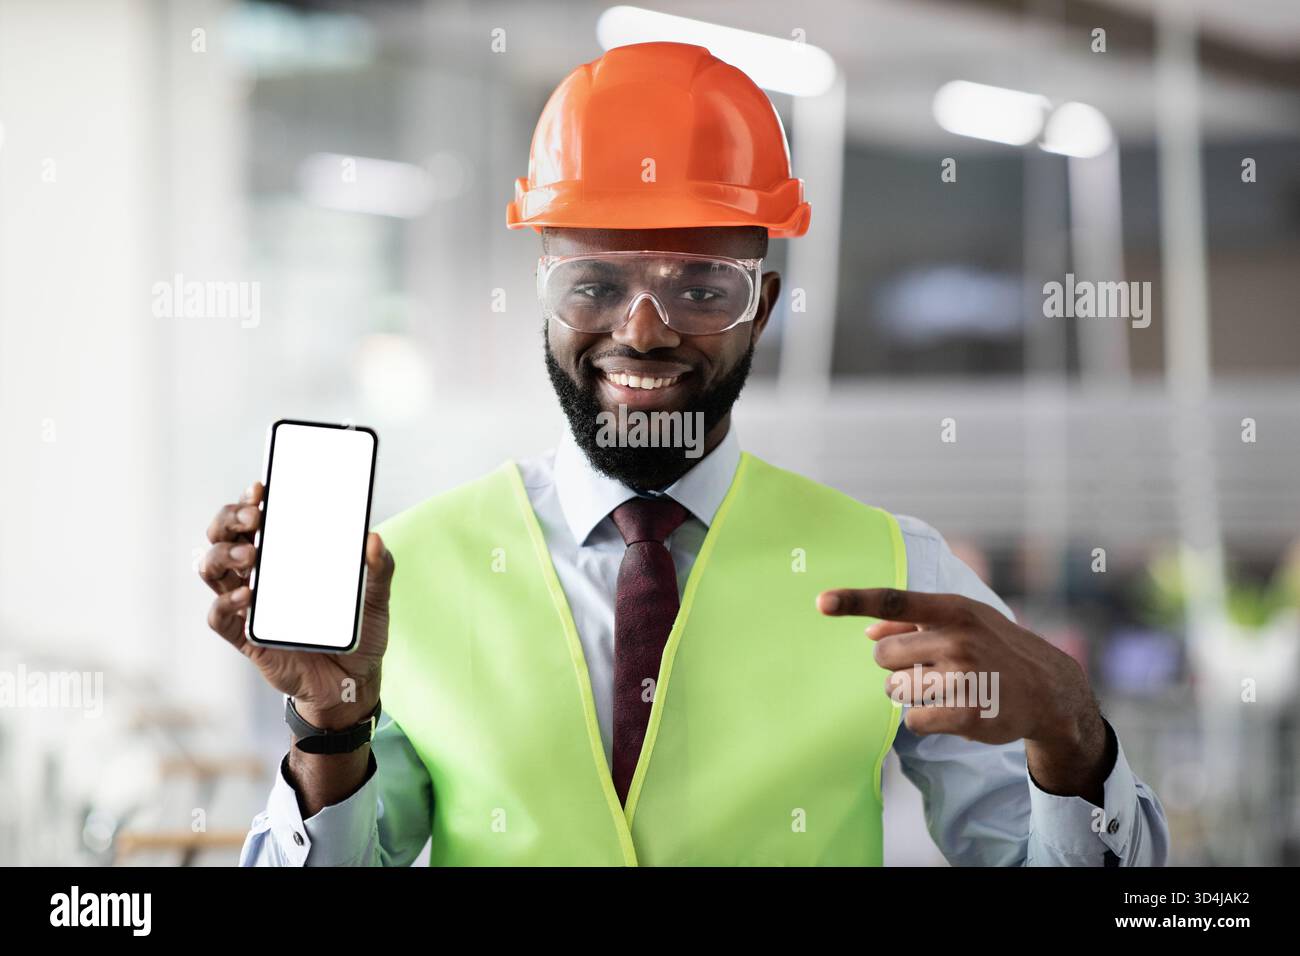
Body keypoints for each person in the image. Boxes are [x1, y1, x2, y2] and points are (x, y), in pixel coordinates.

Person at [201, 41, 1168, 866]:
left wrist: (1074, 736)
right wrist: (330, 725)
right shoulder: (402, 572)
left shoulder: (898, 572)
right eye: (595, 284)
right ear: (544, 292)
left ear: (767, 306)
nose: (646, 330)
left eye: (703, 287)